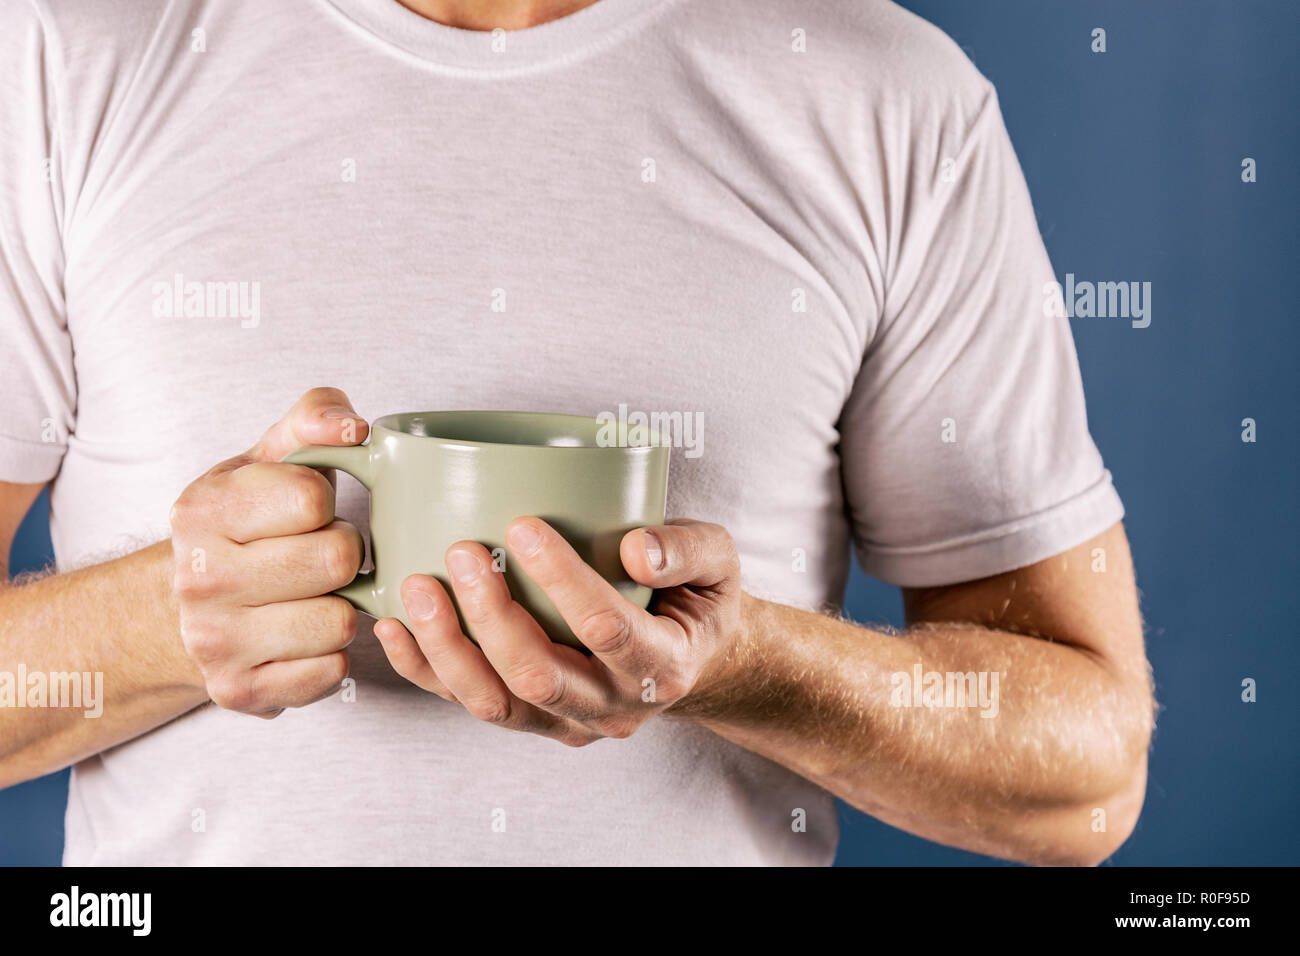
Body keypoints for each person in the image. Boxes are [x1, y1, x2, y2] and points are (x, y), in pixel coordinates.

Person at [0, 0, 1155, 866]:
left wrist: (745, 663)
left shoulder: (892, 98)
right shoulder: (61, 55)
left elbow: (1087, 772)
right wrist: (171, 614)